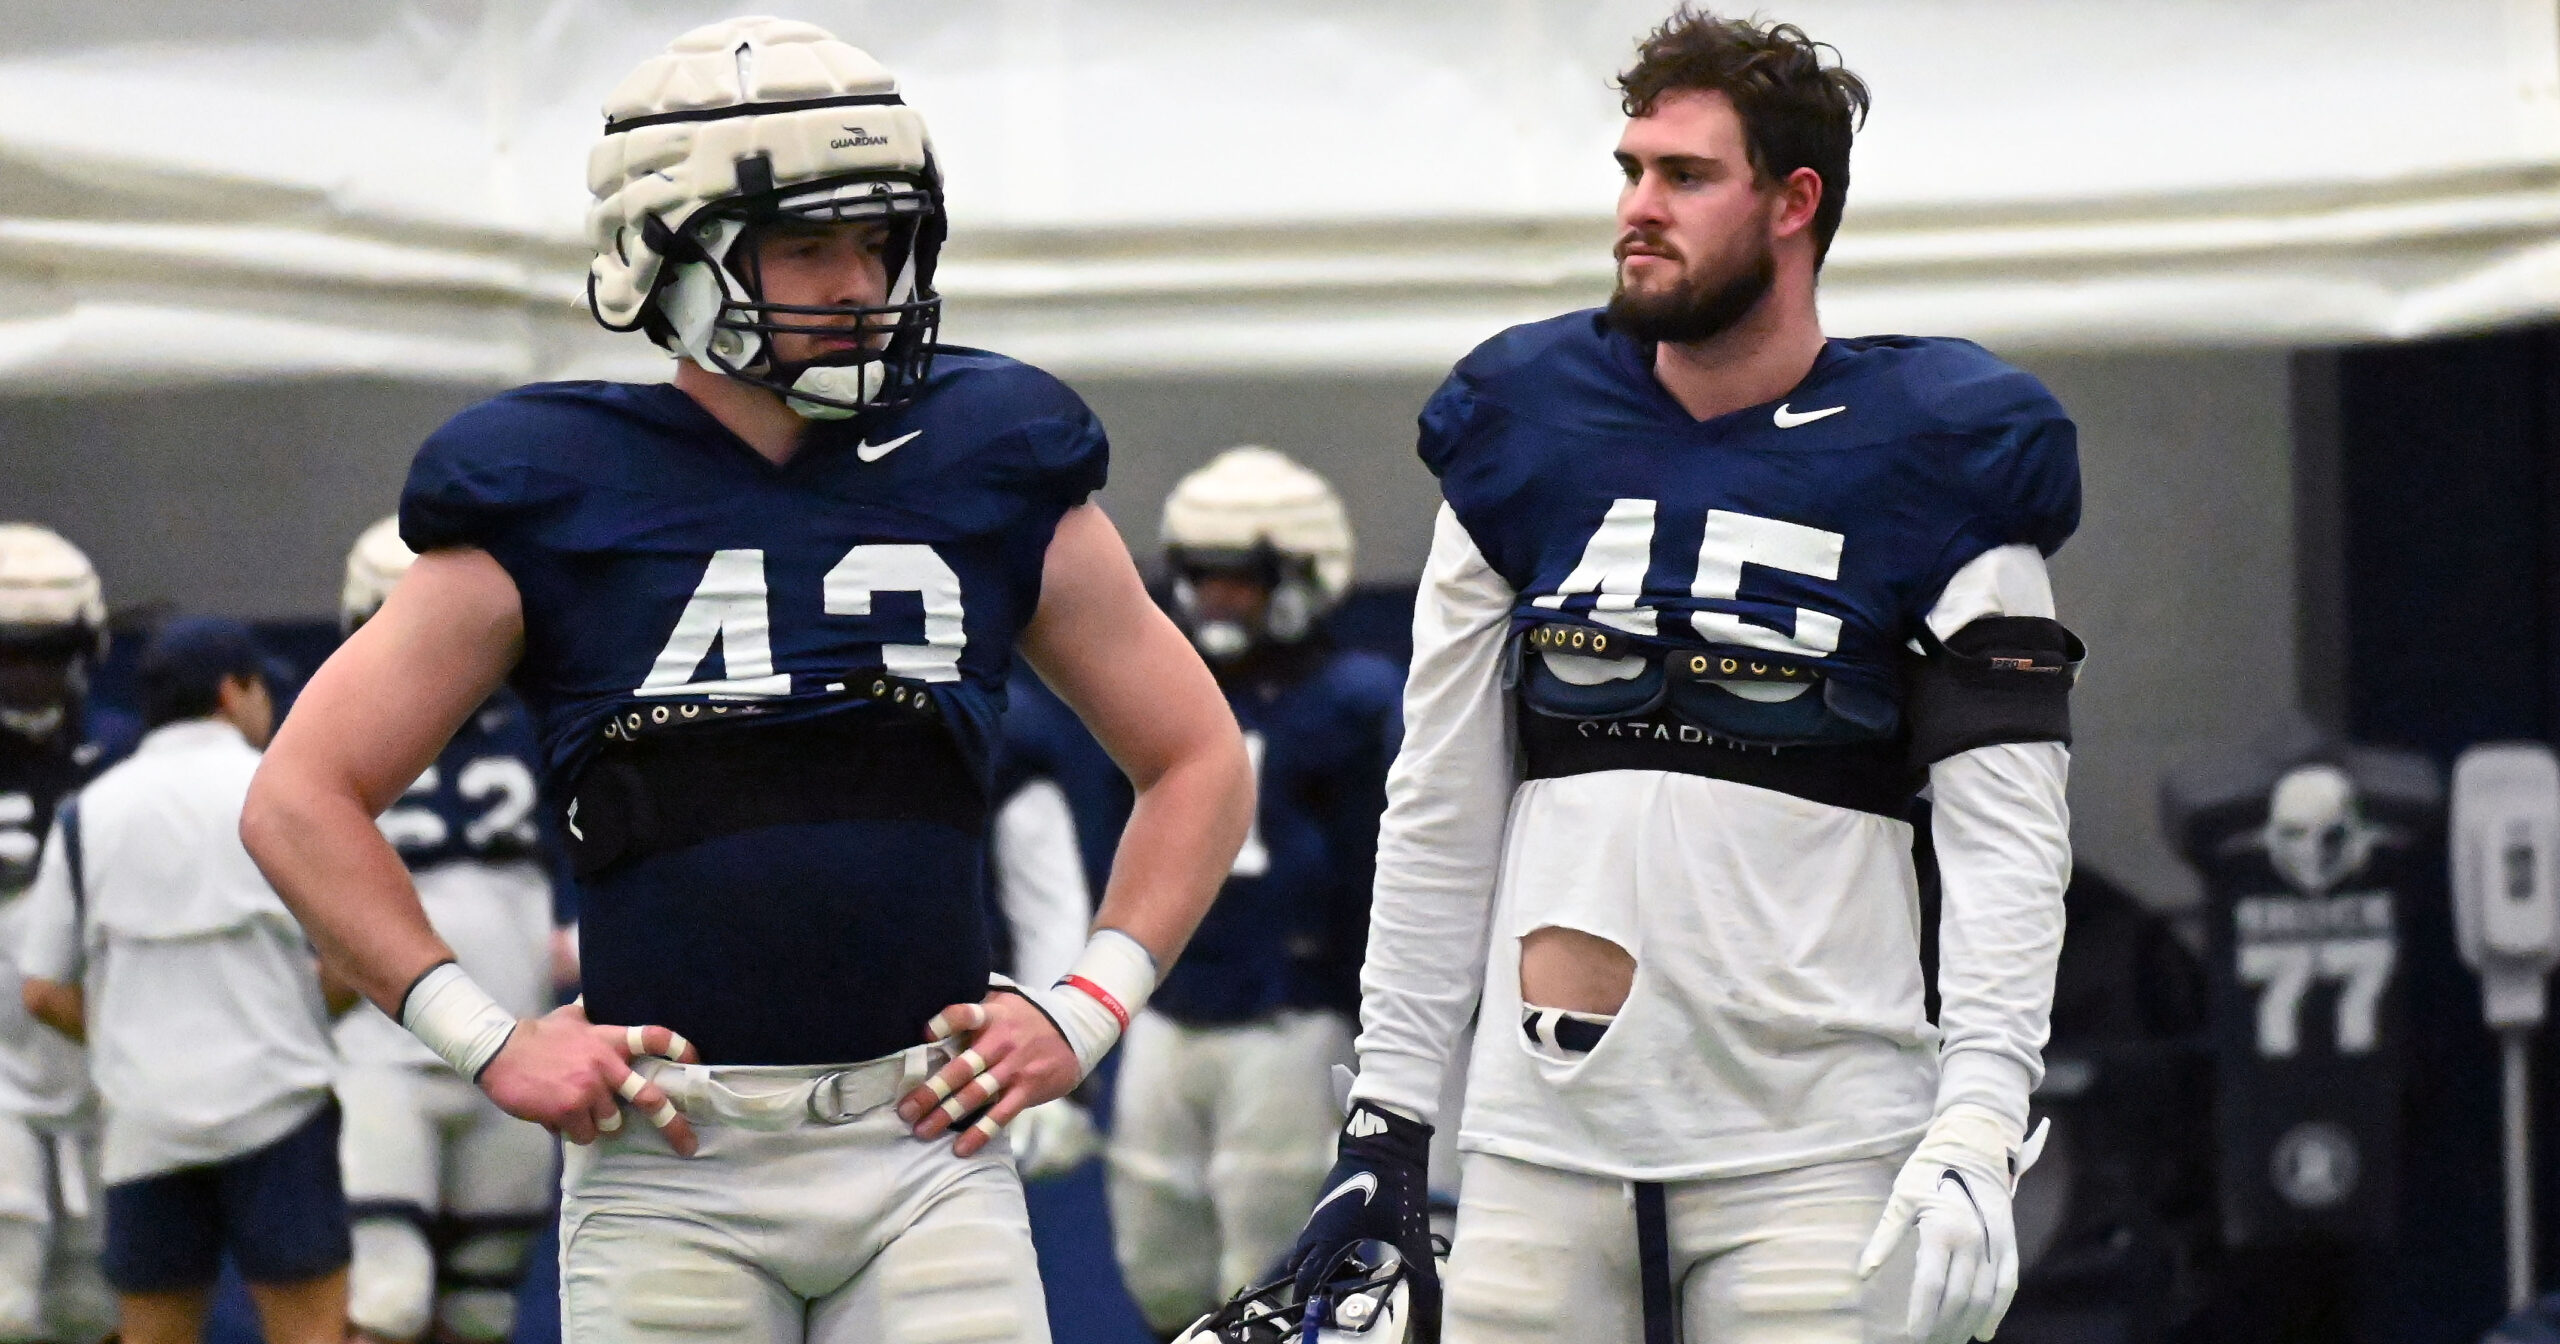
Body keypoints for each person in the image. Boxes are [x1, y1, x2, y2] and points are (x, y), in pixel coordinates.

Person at [238, 17, 1252, 1344]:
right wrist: (486, 1036)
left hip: (926, 1143)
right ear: (671, 250)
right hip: (676, 1164)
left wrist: (1090, 1004)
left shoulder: (990, 454)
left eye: (880, 241)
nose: (859, 280)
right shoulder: (553, 484)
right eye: (811, 243)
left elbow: (1199, 758)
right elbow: (299, 796)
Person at [1279, 10, 2082, 1344]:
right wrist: (1392, 1116)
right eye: (1632, 169)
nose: (1638, 210)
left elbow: (2010, 836)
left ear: (1793, 202)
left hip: (1817, 1159)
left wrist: (1984, 1117)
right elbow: (1438, 802)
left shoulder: (1941, 449)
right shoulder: (1526, 426)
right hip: (1540, 1151)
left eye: (1686, 176)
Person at [1109, 448, 1402, 1337]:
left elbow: (1376, 867)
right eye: (1205, 580)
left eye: (1242, 582)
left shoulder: (1354, 697)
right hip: (1168, 1000)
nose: (1219, 602)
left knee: (1268, 1251)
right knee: (1156, 1256)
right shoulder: (1153, 689)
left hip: (1291, 1007)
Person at [18, 618, 349, 1344]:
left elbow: (40, 990)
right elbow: (362, 957)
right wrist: (299, 1016)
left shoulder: (87, 814)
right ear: (235, 692)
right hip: (280, 1112)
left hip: (144, 1125)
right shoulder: (291, 798)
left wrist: (126, 1042)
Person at [330, 518, 569, 1344]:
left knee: (481, 1307)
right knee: (386, 1298)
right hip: (384, 1051)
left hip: (514, 1042)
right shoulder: (329, 734)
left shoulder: (536, 721)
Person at [0, 525, 123, 1344]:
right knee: (8, 1301)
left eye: (48, 649)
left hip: (100, 1051)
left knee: (95, 1300)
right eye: (11, 651)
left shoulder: (119, 750)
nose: (28, 671)